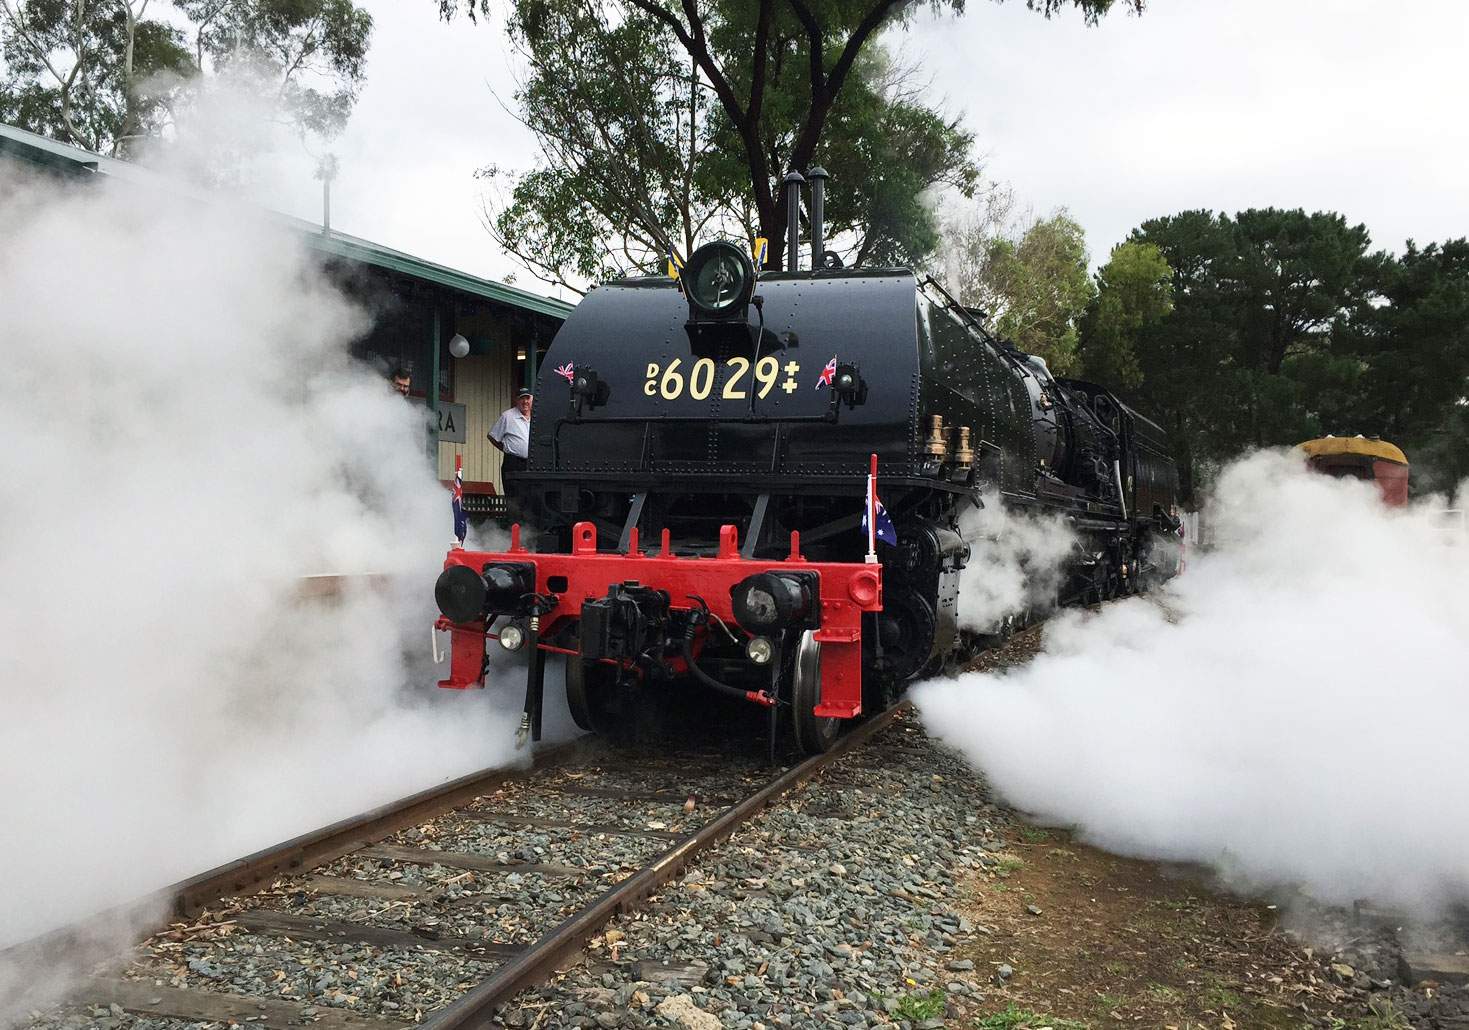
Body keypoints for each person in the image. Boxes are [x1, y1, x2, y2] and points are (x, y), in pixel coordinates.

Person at [489, 389, 533, 489]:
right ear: (516, 400)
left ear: (532, 400)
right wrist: (505, 449)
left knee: (529, 496)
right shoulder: (508, 416)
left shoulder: (536, 417)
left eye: (527, 398)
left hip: (530, 464)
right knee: (514, 496)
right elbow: (492, 436)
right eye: (522, 398)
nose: (525, 401)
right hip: (513, 463)